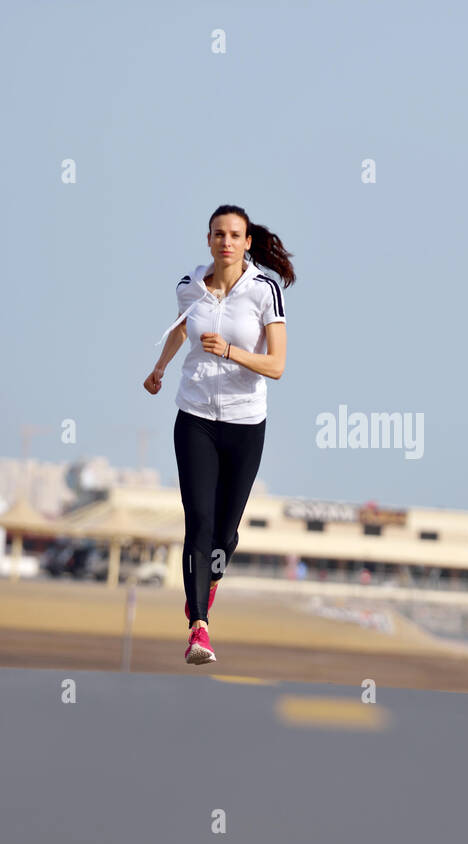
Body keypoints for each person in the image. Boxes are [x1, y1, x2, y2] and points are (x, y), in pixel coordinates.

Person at [143, 205, 294, 665]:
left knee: (225, 536)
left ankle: (204, 589)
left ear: (247, 242)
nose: (226, 242)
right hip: (194, 418)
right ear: (208, 240)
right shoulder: (189, 286)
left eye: (235, 235)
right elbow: (179, 328)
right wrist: (160, 368)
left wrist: (230, 351)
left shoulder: (264, 291)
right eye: (218, 234)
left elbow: (277, 366)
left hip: (246, 423)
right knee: (199, 522)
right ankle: (199, 629)